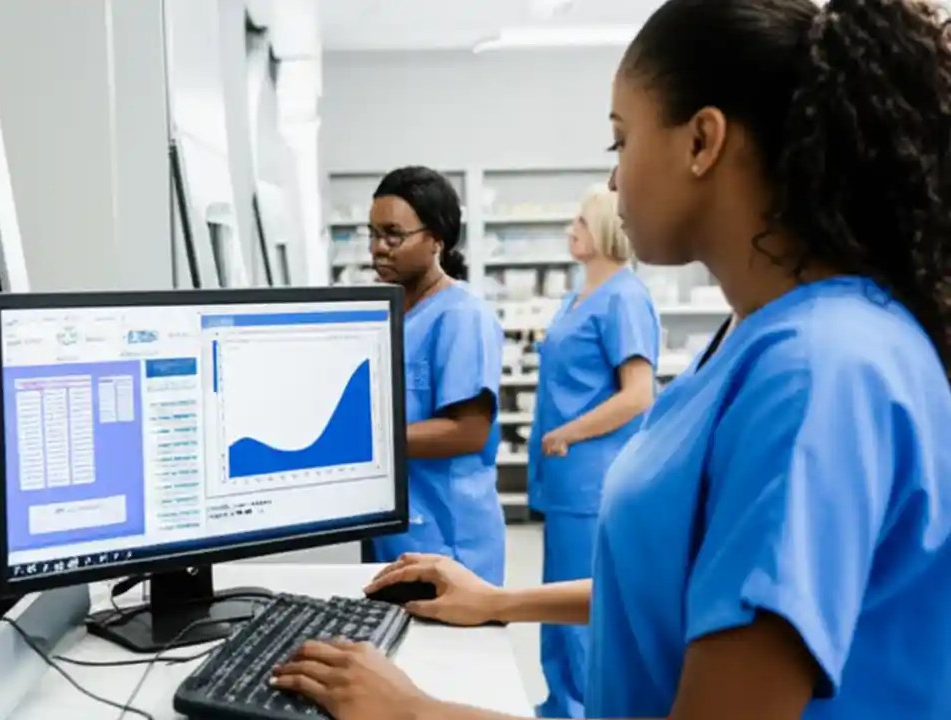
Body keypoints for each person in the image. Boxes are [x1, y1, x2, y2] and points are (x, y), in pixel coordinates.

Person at [271, 1, 951, 718]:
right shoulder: (762, 340)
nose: (616, 182)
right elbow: (683, 585)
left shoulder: (816, 374)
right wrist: (501, 600)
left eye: (620, 141)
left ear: (702, 141)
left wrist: (414, 712)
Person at [528, 186, 659, 718]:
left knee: (582, 604)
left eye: (580, 221)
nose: (571, 230)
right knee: (555, 597)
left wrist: (570, 433)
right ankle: (559, 703)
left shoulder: (625, 297)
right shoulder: (576, 298)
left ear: (605, 229)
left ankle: (584, 709)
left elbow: (638, 394)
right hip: (564, 479)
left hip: (591, 475)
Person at [363, 166, 507, 585]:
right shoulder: (388, 312)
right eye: (373, 234)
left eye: (394, 235)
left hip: (448, 538)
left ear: (436, 239)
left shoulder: (462, 316)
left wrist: (365, 445)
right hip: (398, 531)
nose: (378, 248)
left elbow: (469, 432)